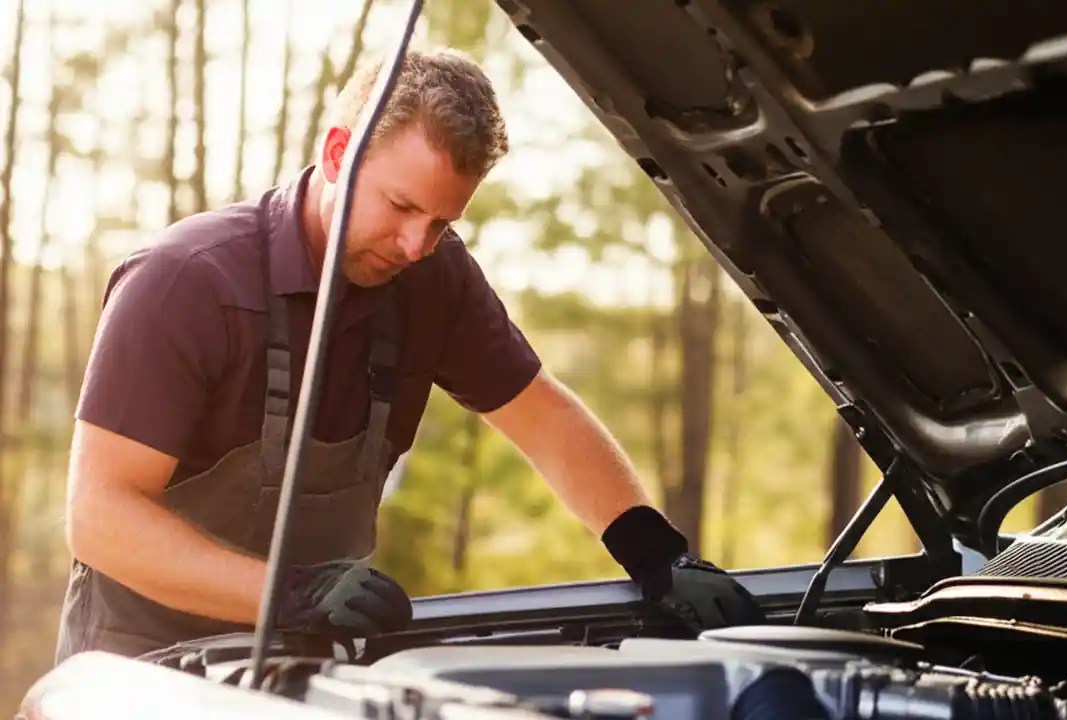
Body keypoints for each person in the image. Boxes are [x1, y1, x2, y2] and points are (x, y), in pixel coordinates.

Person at [54, 49, 763, 663]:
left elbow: (543, 416)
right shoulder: (188, 282)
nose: (415, 246)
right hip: (139, 664)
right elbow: (100, 517)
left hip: (302, 660)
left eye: (442, 221)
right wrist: (290, 592)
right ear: (337, 154)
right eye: (399, 206)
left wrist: (654, 553)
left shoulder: (432, 279)